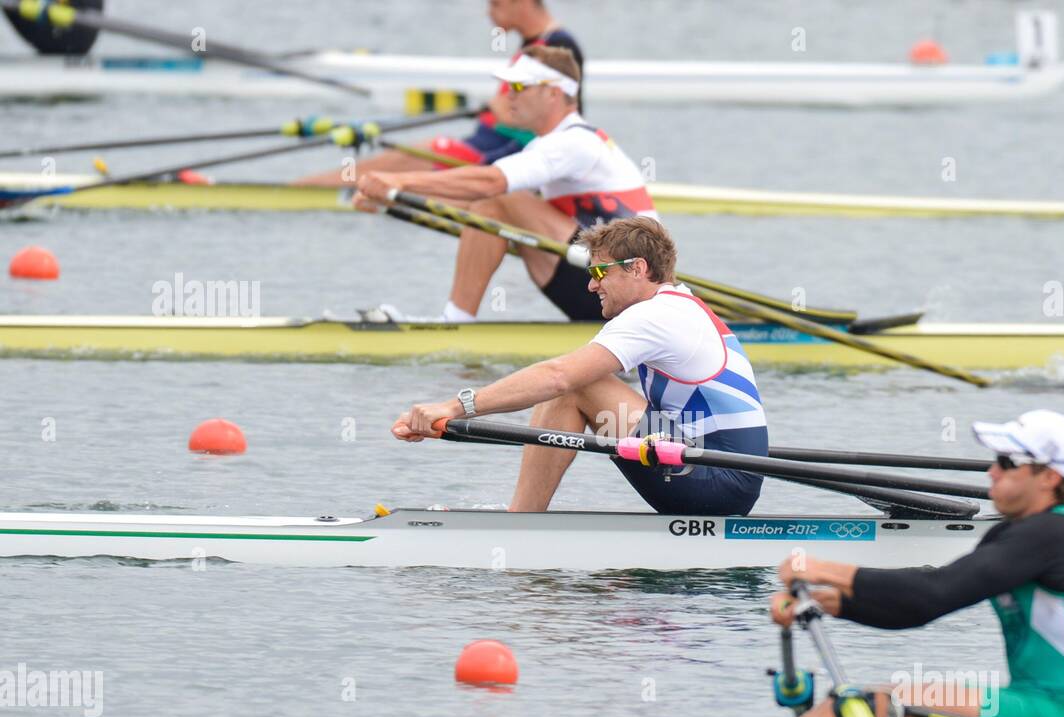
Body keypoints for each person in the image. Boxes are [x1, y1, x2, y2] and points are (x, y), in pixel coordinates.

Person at [708, 410, 1064, 717]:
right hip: (1039, 715)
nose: (992, 472)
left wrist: (824, 569)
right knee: (855, 705)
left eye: (1007, 462)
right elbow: (913, 607)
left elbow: (929, 596)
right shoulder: (1021, 534)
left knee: (862, 708)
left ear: (1049, 477)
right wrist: (820, 600)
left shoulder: (1055, 535)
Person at [391, 217, 768, 517]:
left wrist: (455, 408)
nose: (590, 286)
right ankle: (522, 517)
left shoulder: (656, 316)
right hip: (713, 468)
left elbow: (558, 376)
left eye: (600, 273)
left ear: (638, 268)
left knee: (575, 385)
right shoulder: (678, 304)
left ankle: (521, 520)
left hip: (716, 481)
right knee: (579, 382)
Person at [354, 46, 655, 325]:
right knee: (492, 206)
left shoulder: (574, 142)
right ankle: (455, 319)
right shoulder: (548, 144)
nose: (509, 95)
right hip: (603, 281)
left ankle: (455, 322)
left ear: (553, 93)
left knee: (501, 198)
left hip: (629, 289)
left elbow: (490, 181)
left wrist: (398, 180)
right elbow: (480, 205)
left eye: (521, 87)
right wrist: (395, 200)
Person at [295, 0, 582, 185]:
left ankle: (304, 193)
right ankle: (305, 188)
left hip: (504, 154)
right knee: (401, 156)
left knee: (414, 154)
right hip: (487, 144)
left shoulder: (558, 46)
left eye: (494, 4)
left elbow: (560, 118)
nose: (488, 12)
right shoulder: (536, 44)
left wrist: (497, 108)